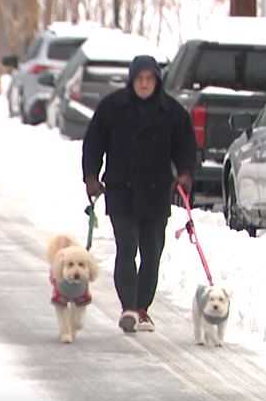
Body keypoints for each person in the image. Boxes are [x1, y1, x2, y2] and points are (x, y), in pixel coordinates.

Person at [82, 54, 197, 334]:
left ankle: (143, 307)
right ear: (132, 80)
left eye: (150, 79)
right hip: (121, 189)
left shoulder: (172, 112)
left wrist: (184, 174)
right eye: (140, 78)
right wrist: (91, 177)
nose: (144, 84)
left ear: (157, 81)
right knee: (127, 248)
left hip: (157, 190)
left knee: (151, 252)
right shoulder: (112, 108)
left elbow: (186, 147)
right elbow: (94, 143)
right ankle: (129, 308)